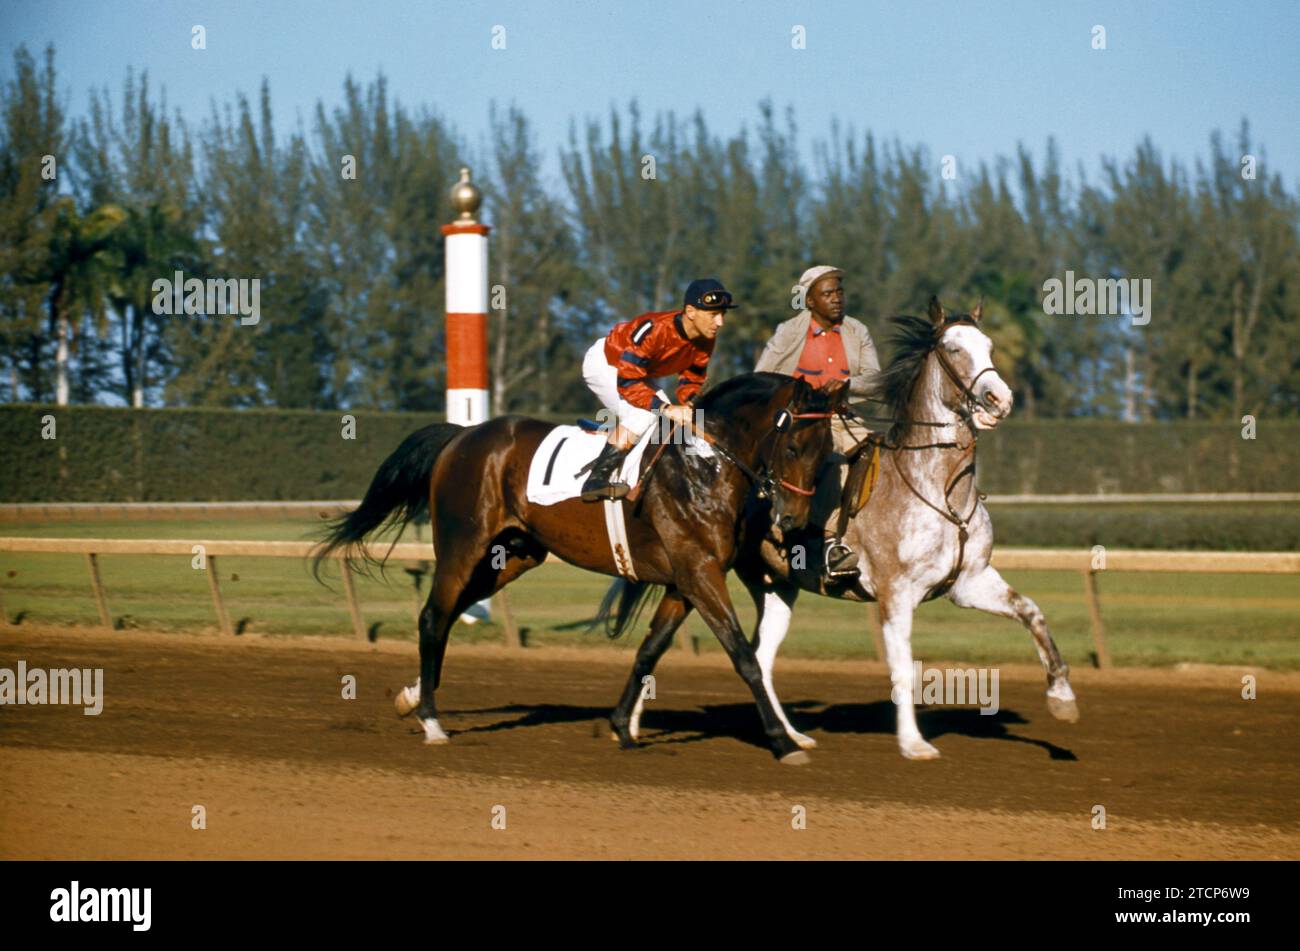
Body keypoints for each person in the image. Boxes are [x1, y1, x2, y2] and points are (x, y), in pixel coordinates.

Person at [755, 265, 880, 579]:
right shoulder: (789, 331)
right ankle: (825, 544)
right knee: (830, 454)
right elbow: (762, 378)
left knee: (877, 451)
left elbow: (876, 380)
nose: (837, 298)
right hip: (799, 424)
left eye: (839, 291)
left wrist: (848, 384)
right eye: (828, 293)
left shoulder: (857, 331)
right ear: (809, 300)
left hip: (844, 418)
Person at [580, 278, 738, 501]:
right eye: (713, 314)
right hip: (608, 364)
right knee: (645, 413)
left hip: (639, 374)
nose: (720, 322)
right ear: (691, 311)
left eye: (723, 314)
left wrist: (691, 403)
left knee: (685, 418)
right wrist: (664, 407)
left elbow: (691, 379)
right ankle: (597, 479)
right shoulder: (655, 330)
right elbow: (627, 380)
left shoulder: (705, 339)